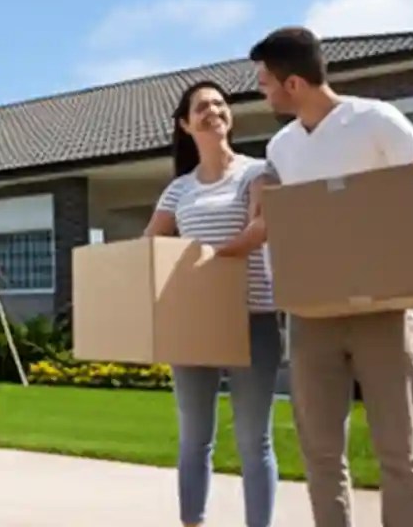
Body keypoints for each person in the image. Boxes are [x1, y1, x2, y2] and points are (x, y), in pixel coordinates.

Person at [248, 26, 413, 527]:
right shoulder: (282, 148)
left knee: (399, 454)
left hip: (385, 311)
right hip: (311, 318)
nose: (260, 91)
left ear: (293, 84)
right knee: (322, 457)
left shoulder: (376, 120)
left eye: (264, 82)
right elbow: (284, 224)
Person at [144, 80, 282, 527]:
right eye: (202, 106)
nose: (214, 111)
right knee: (194, 439)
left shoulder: (255, 172)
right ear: (186, 124)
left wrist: (209, 261)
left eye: (220, 104)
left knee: (253, 440)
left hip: (252, 317)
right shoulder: (178, 190)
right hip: (194, 324)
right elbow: (149, 245)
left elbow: (263, 225)